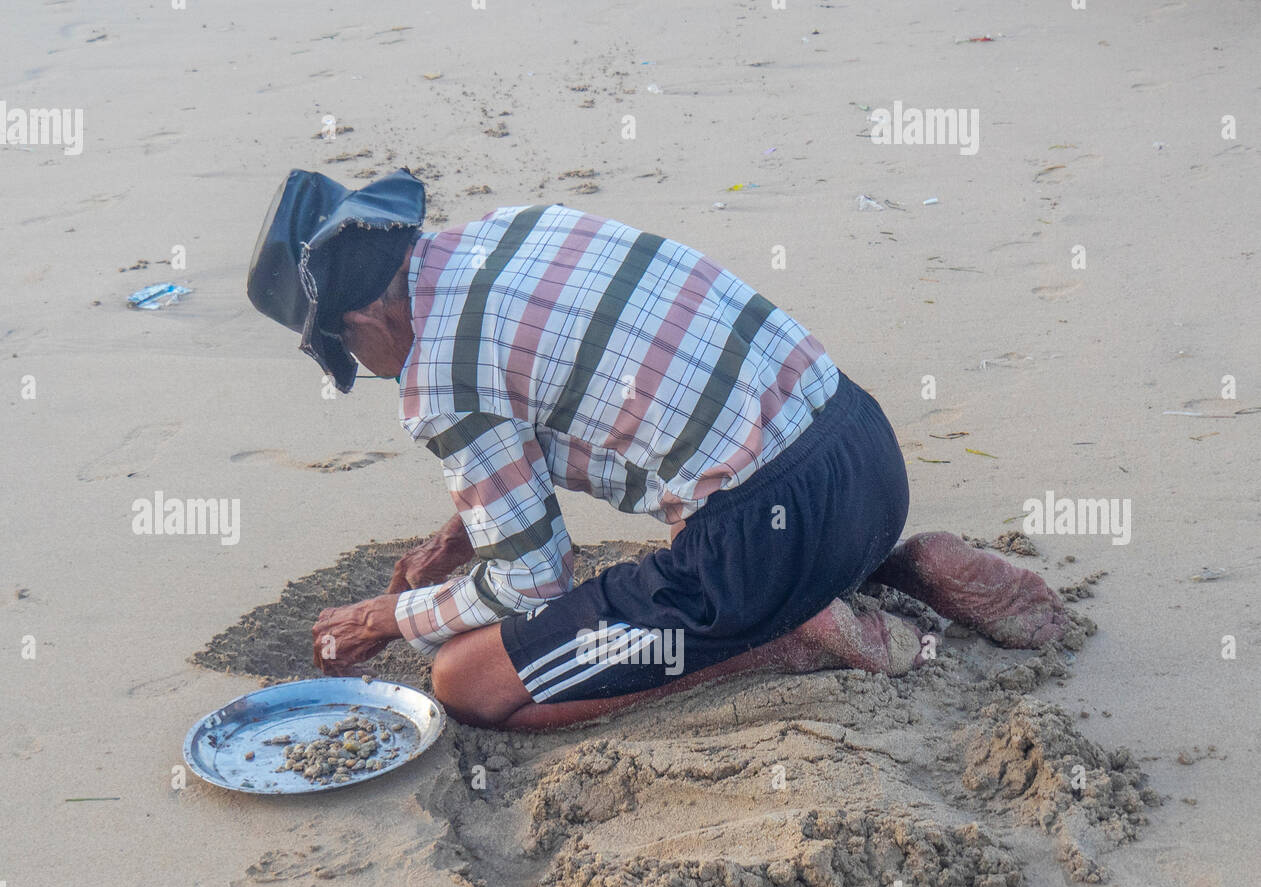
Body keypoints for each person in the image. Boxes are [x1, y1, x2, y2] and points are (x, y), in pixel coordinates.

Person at [247, 168, 1065, 731]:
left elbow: (535, 581)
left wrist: (389, 616)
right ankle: (900, 567)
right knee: (707, 499)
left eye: (347, 356)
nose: (365, 370)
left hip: (766, 537)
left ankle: (787, 638)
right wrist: (457, 536)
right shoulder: (514, 232)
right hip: (864, 457)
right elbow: (572, 404)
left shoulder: (436, 375)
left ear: (356, 324)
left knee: (466, 682)